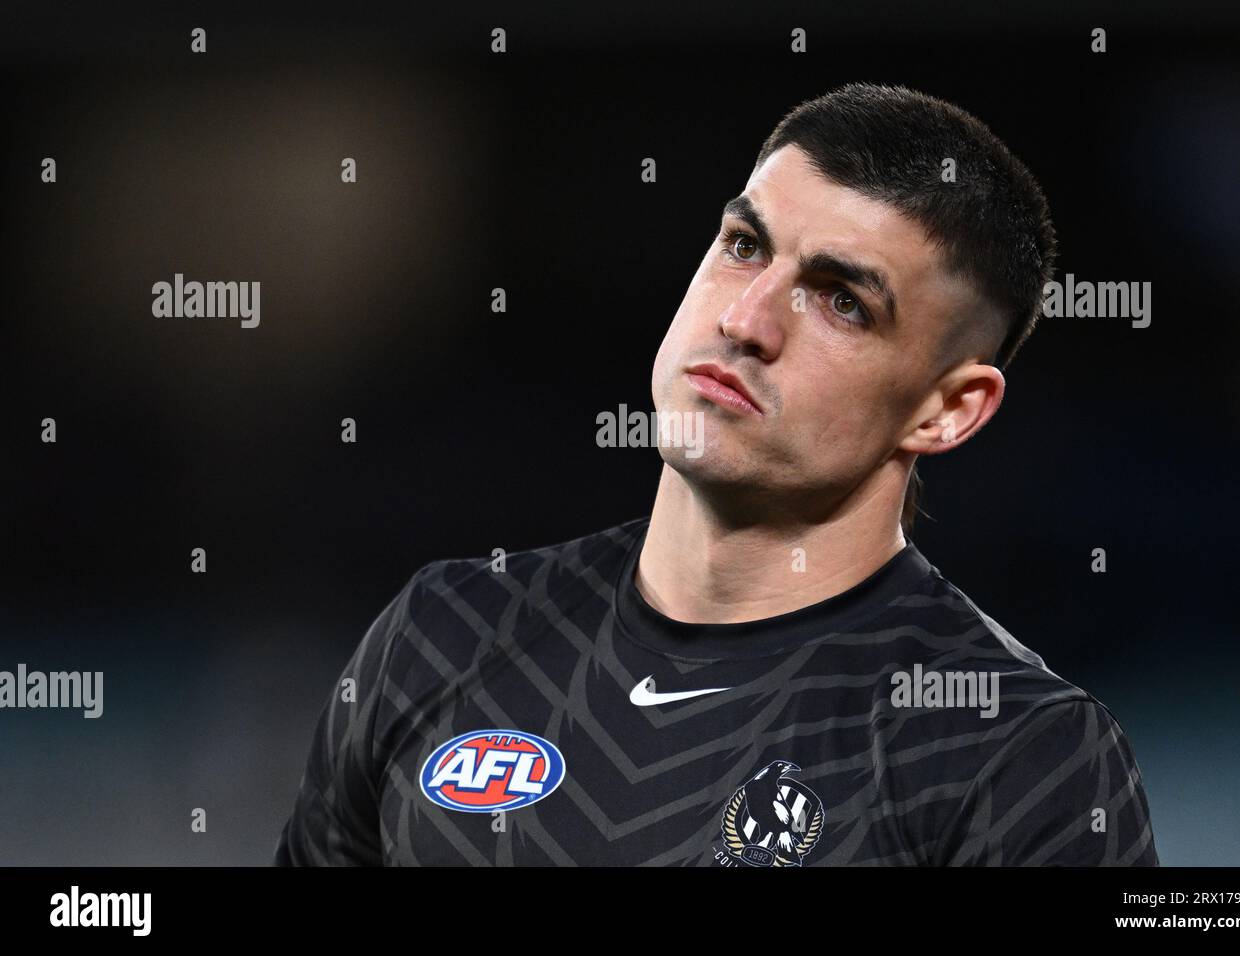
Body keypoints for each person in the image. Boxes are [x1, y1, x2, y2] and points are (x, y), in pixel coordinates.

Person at [275, 82, 1158, 866]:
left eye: (842, 301)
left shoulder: (1020, 755)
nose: (746, 319)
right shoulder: (442, 633)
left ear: (947, 409)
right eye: (744, 245)